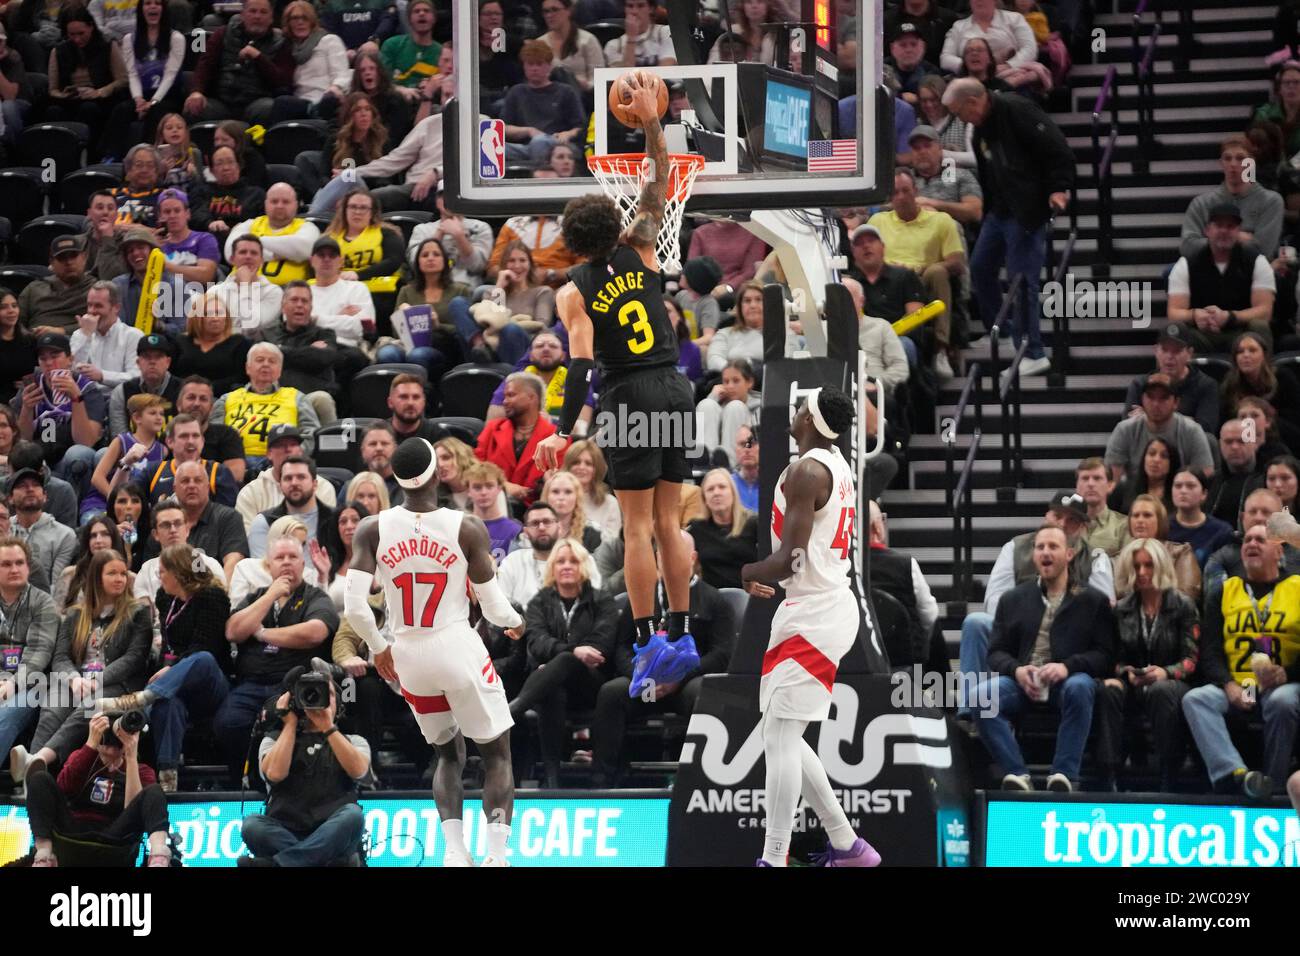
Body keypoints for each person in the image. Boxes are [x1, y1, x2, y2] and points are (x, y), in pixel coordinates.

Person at [535, 75, 700, 694]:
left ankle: (645, 640)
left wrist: (560, 432)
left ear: (569, 242)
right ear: (616, 225)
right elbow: (658, 178)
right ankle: (682, 631)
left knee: (635, 528)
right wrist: (654, 123)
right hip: (674, 385)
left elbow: (579, 368)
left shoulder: (572, 291)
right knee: (671, 524)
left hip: (628, 394)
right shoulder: (644, 250)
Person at [345, 437, 524, 867]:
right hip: (454, 644)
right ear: (435, 473)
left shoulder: (372, 528)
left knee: (447, 754)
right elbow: (495, 607)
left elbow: (353, 606)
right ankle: (496, 856)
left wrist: (378, 648)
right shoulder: (465, 526)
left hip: (407, 653)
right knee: (497, 753)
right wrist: (517, 624)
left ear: (400, 477)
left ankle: (454, 852)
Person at [738, 387, 880, 866]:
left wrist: (747, 572)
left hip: (815, 610)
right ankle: (849, 847)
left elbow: (786, 561)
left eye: (801, 408)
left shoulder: (808, 470)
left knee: (777, 737)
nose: (792, 414)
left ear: (813, 420)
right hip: (816, 606)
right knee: (782, 734)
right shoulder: (835, 463)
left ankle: (774, 857)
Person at [942, 78, 1073, 378]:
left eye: (959, 112)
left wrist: (1059, 187)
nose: (959, 120)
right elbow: (988, 168)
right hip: (999, 211)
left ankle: (1033, 351)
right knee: (980, 267)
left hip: (1027, 210)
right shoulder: (981, 127)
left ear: (973, 102)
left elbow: (1056, 147)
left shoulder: (1017, 110)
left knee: (1022, 281)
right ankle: (1001, 329)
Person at [973, 523, 1117, 793]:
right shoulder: (1013, 599)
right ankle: (1017, 774)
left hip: (1068, 680)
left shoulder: (1092, 600)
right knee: (981, 697)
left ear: (1069, 555)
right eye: (1040, 547)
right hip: (1023, 681)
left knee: (1080, 686)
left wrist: (1067, 667)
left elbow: (1105, 655)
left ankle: (1064, 774)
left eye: (1053, 546)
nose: (1045, 552)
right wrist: (1016, 670)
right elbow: (995, 652)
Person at [592, 528, 734, 786]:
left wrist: (678, 678)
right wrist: (639, 674)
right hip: (645, 682)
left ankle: (700, 780)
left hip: (687, 684)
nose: (668, 559)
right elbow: (622, 646)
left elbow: (722, 653)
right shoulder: (641, 595)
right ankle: (604, 779)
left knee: (705, 693)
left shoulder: (714, 600)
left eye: (675, 553)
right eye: (663, 554)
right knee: (610, 693)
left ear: (691, 558)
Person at [956, 492, 1114, 719]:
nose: (1062, 524)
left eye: (1072, 520)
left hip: (1069, 641)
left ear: (1081, 528)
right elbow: (994, 600)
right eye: (1058, 516)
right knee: (975, 622)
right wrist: (1022, 622)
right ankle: (969, 710)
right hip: (1018, 631)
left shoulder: (1096, 558)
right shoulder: (1016, 548)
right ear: (1046, 516)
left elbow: (1104, 609)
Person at [99, 542, 231, 793]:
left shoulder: (212, 597)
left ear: (179, 572)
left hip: (210, 681)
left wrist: (173, 668)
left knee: (202, 658)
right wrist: (169, 665)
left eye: (162, 571)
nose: (159, 576)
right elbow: (170, 647)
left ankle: (141, 700)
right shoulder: (164, 597)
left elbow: (208, 646)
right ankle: (167, 776)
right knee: (168, 704)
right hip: (175, 685)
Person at [10, 550, 151, 780]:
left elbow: (134, 658)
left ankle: (37, 761)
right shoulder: (75, 614)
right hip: (76, 679)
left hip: (117, 683)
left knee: (90, 706)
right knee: (53, 708)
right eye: (112, 573)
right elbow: (61, 658)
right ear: (96, 577)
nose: (120, 579)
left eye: (123, 574)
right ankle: (33, 779)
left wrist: (97, 680)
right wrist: (74, 679)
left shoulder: (138, 613)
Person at [1182, 524, 1300, 797]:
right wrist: (1227, 685)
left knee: (1283, 702)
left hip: (1283, 682)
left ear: (1278, 550)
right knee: (1196, 699)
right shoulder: (1224, 591)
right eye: (1247, 540)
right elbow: (1210, 652)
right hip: (1243, 683)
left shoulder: (1296, 588)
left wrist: (1288, 673)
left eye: (1260, 539)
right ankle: (1233, 773)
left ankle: (1274, 782)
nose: (1251, 544)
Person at [214, 535, 337, 784]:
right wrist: (270, 596)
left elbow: (315, 632)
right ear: (268, 566)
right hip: (251, 683)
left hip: (294, 683)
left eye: (293, 557)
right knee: (226, 722)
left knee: (283, 720)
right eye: (279, 558)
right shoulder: (258, 596)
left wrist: (261, 633)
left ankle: (287, 784)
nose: (286, 563)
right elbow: (233, 631)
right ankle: (245, 780)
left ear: (303, 565)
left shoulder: (315, 597)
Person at [509, 538, 616, 788]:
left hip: (590, 683)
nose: (567, 566)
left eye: (574, 561)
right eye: (560, 561)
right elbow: (536, 642)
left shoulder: (602, 601)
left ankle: (511, 712)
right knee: (552, 690)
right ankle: (552, 778)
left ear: (584, 566)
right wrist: (574, 651)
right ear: (552, 568)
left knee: (566, 660)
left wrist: (567, 655)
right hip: (549, 683)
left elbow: (601, 646)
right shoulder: (539, 602)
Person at [1099, 538, 1199, 791]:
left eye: (1148, 565)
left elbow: (1191, 660)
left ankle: (1169, 774)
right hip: (1134, 682)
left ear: (1162, 566)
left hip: (1173, 684)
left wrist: (1165, 672)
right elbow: (1114, 659)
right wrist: (1127, 673)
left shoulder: (1183, 605)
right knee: (1108, 690)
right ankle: (1110, 775)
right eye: (1137, 566)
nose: (1142, 573)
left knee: (1160, 691)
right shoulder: (1121, 608)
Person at [238, 676, 368, 867]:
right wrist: (289, 724)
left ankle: (278, 865)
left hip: (332, 829)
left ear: (338, 704)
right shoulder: (273, 740)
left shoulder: (353, 740)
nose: (317, 698)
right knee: (252, 825)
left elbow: (359, 771)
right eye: (308, 693)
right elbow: (274, 774)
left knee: (353, 816)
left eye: (327, 693)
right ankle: (322, 862)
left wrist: (327, 727)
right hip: (286, 828)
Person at [21, 713, 171, 867]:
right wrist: (91, 744)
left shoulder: (142, 770)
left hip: (116, 836)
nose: (112, 746)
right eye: (107, 739)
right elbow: (65, 788)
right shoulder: (82, 757)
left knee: (154, 791)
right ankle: (44, 855)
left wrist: (131, 756)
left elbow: (134, 809)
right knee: (39, 778)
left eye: (118, 741)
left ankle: (158, 856)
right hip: (73, 830)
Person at [868, 169, 967, 377]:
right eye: (896, 192)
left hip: (923, 280)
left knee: (938, 271)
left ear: (916, 190)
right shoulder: (878, 221)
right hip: (888, 280)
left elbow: (957, 262)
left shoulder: (941, 220)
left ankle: (941, 349)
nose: (901, 197)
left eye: (906, 191)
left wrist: (922, 268)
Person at [1167, 204, 1278, 355]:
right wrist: (1195, 315)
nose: (1224, 231)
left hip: (1241, 334)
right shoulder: (1186, 264)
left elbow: (1265, 312)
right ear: (1207, 230)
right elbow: (1174, 312)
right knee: (1176, 329)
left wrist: (1230, 317)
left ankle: (1263, 378)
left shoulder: (1257, 261)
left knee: (1260, 326)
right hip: (1202, 334)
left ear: (1238, 231)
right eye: (1218, 225)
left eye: (1230, 226)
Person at [307, 110, 444, 217]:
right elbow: (394, 161)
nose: (363, 115)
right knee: (348, 176)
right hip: (410, 187)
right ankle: (313, 218)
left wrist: (436, 172)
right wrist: (356, 172)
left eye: (367, 110)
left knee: (360, 200)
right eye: (446, 95)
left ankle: (312, 219)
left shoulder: (381, 141)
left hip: (439, 189)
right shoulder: (429, 124)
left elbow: (464, 170)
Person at [183, 0, 293, 127]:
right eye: (252, 11)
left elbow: (282, 80)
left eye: (263, 12)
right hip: (221, 101)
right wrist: (197, 91)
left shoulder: (281, 42)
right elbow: (205, 66)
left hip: (256, 102)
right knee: (193, 107)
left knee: (270, 108)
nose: (257, 16)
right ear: (242, 14)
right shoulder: (223, 34)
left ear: (271, 18)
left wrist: (258, 57)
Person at [0, 538, 60, 770]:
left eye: (19, 563)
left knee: (5, 715)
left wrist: (10, 685)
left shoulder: (42, 602)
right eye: (6, 564)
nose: (14, 569)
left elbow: (39, 653)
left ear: (28, 567)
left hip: (32, 685)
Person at [211, 342, 323, 465]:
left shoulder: (297, 397)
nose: (265, 364)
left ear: (280, 370)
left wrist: (292, 458)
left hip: (282, 463)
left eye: (272, 361)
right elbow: (214, 437)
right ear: (247, 368)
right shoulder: (226, 399)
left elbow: (311, 434)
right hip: (235, 463)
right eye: (259, 360)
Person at [1180, 135, 1284, 262]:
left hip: (1253, 272)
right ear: (1221, 163)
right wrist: (1238, 237)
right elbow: (1187, 247)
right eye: (1228, 158)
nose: (1233, 164)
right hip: (1209, 269)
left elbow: (1264, 250)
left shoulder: (1271, 201)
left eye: (1240, 158)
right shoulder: (1202, 203)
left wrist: (1215, 238)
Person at [1104, 373, 1215, 484]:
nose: (1156, 404)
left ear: (1176, 402)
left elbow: (1205, 478)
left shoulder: (1192, 431)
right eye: (1150, 397)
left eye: (1164, 398)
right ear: (1142, 399)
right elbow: (1112, 483)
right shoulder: (1124, 430)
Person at [45, 5, 127, 156]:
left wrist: (99, 92)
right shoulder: (58, 51)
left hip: (100, 99)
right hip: (69, 100)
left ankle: (92, 155)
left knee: (88, 108)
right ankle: (62, 157)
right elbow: (53, 89)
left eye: (81, 33)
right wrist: (65, 95)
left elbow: (122, 79)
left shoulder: (108, 46)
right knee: (53, 111)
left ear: (91, 27)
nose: (77, 39)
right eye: (72, 34)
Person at [380, 238, 469, 375]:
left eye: (436, 254)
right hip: (408, 345)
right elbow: (395, 332)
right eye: (425, 255)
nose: (430, 258)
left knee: (418, 355)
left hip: (443, 348)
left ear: (445, 260)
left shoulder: (461, 290)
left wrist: (438, 325)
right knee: (386, 353)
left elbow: (465, 331)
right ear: (418, 262)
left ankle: (421, 393)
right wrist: (403, 319)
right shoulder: (406, 291)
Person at [259, 282, 340, 427]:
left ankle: (333, 448)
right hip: (273, 399)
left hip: (311, 397)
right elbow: (258, 361)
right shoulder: (266, 333)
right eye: (294, 300)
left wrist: (279, 350)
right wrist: (309, 351)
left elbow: (323, 358)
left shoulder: (324, 333)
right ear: (283, 306)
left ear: (311, 307)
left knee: (323, 399)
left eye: (305, 301)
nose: (299, 305)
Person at [479, 373, 561, 506]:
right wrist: (503, 486)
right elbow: (475, 469)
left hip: (537, 512)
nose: (504, 401)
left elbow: (556, 484)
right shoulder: (492, 429)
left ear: (531, 397)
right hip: (491, 505)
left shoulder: (556, 438)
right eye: (505, 396)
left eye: (511, 395)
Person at [1122, 324, 1219, 436]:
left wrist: (1150, 417)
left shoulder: (1206, 385)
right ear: (1156, 351)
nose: (1169, 356)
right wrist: (1186, 421)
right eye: (1164, 350)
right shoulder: (1140, 384)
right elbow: (1128, 424)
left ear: (1189, 354)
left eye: (1176, 351)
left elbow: (1206, 428)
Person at [84, 393, 168, 523]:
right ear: (137, 418)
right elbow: (97, 478)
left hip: (136, 510)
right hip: (100, 505)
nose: (159, 418)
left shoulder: (163, 450)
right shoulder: (121, 441)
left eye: (161, 414)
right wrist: (116, 502)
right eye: (152, 413)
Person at [501, 39, 586, 166]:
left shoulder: (565, 91)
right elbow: (504, 128)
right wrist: (529, 131)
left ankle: (540, 177)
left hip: (559, 147)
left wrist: (567, 134)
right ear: (524, 66)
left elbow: (580, 127)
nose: (534, 68)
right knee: (489, 148)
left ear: (549, 66)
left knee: (539, 142)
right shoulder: (516, 92)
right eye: (530, 64)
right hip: (524, 148)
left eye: (539, 64)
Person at [225, 183, 322, 289]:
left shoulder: (308, 227)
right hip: (241, 288)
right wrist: (283, 253)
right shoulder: (248, 224)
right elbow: (230, 253)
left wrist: (254, 245)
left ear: (296, 205)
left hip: (290, 294)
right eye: (274, 201)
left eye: (286, 202)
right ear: (266, 204)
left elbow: (304, 249)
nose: (279, 206)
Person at [268, 0, 349, 123]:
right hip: (301, 101)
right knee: (282, 102)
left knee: (329, 103)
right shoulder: (288, 47)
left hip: (326, 97)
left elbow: (342, 74)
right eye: (295, 18)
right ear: (288, 23)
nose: (300, 22)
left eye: (305, 18)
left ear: (312, 21)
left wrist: (335, 88)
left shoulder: (329, 40)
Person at [406, 181, 495, 289]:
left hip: (466, 289)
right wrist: (440, 233)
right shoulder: (421, 230)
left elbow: (477, 267)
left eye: (454, 196)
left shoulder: (480, 228)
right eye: (443, 196)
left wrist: (459, 236)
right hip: (429, 289)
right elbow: (415, 265)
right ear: (437, 201)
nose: (448, 201)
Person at [140, 413, 239, 508]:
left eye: (195, 436)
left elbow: (226, 518)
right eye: (184, 436)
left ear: (202, 441)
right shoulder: (153, 471)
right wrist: (126, 463)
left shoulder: (218, 472)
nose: (191, 441)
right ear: (169, 442)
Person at [173, 460, 248, 582]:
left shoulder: (228, 517)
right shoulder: (166, 522)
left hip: (216, 591)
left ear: (207, 487)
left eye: (198, 480)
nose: (191, 485)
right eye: (185, 481)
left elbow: (234, 561)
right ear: (175, 488)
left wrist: (219, 595)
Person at [323, 190, 405, 298]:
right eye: (353, 207)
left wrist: (358, 275)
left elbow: (394, 261)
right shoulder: (329, 238)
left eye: (363, 208)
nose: (357, 212)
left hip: (379, 293)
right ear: (345, 210)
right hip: (339, 293)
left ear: (372, 212)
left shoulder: (387, 233)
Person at [687, 467, 758, 591]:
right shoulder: (696, 528)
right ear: (705, 499)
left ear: (733, 493)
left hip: (749, 598)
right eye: (710, 489)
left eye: (722, 487)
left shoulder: (754, 523)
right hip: (712, 601)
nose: (716, 493)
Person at [247, 455, 332, 559]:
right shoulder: (264, 522)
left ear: (315, 484)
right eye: (288, 478)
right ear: (280, 485)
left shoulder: (336, 520)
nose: (294, 483)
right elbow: (262, 570)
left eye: (301, 477)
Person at [228, 515, 321, 609]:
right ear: (274, 538)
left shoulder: (308, 575)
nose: (296, 547)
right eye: (291, 540)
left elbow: (320, 612)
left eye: (302, 544)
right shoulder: (246, 568)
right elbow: (236, 611)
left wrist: (323, 576)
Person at [8, 468, 76, 592]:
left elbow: (57, 586)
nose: (30, 489)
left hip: (42, 604)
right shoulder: (4, 529)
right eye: (22, 486)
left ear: (45, 496)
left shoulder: (64, 535)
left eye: (35, 485)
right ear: (10, 498)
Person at [1126, 494, 1202, 603]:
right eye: (1135, 515)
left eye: (1147, 515)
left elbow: (1186, 597)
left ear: (1160, 520)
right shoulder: (1116, 557)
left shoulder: (1181, 553)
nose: (1140, 520)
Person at [69, 282, 144, 392]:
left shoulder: (133, 336)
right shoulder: (79, 335)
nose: (91, 311)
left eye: (98, 306)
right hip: (87, 399)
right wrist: (85, 336)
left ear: (116, 308)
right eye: (89, 305)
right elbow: (72, 373)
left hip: (120, 399)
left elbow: (137, 377)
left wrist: (102, 376)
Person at [18, 236, 97, 336]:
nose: (69, 262)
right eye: (62, 258)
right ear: (51, 263)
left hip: (77, 343)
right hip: (34, 343)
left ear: (84, 257)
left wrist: (61, 331)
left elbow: (103, 322)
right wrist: (27, 336)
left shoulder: (95, 289)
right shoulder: (34, 289)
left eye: (73, 256)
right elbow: (16, 322)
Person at [1221, 332, 1300, 431]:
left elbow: (1294, 417)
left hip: (1278, 433)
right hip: (1242, 436)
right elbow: (1225, 421)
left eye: (1252, 350)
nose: (1246, 355)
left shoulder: (1283, 377)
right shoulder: (1230, 383)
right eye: (1240, 351)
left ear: (1264, 355)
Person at [307, 237, 375, 352]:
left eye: (332, 255)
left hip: (347, 351)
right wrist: (340, 317)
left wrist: (315, 320)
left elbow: (360, 329)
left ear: (341, 261)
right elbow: (296, 328)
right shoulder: (303, 293)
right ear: (311, 261)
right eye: (321, 255)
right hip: (309, 349)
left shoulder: (357, 288)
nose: (327, 259)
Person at [108, 332, 180, 439]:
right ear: (138, 362)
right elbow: (120, 437)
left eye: (158, 357)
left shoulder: (183, 390)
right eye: (147, 357)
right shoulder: (122, 391)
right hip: (132, 452)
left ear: (168, 362)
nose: (152, 362)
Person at [939, 0, 1037, 74]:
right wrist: (971, 66)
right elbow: (945, 58)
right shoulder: (958, 26)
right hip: (971, 78)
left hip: (1011, 74)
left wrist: (1009, 65)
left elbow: (1030, 49)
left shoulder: (1015, 18)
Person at [209, 237, 281, 336]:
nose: (248, 256)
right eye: (243, 252)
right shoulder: (215, 291)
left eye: (254, 253)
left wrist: (244, 285)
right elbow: (207, 327)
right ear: (232, 259)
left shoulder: (273, 292)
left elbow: (251, 327)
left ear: (262, 260)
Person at [696, 359, 761, 465]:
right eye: (726, 381)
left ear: (749, 382)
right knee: (706, 404)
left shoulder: (759, 404)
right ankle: (703, 462)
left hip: (743, 461)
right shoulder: (716, 403)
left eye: (736, 381)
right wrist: (712, 397)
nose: (730, 386)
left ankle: (728, 463)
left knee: (735, 407)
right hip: (708, 464)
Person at [189, 146, 265, 237]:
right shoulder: (201, 192)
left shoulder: (256, 194)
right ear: (212, 170)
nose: (226, 168)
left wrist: (243, 227)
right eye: (219, 163)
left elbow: (263, 222)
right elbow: (197, 212)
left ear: (239, 166)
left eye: (230, 162)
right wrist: (209, 223)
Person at [1208, 418, 1267, 526]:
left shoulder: (1268, 480)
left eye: (1241, 441)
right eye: (1228, 442)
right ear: (1220, 444)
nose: (1234, 447)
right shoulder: (1212, 481)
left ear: (1255, 443)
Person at [562, 439, 621, 540]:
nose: (581, 467)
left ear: (596, 469)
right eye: (576, 462)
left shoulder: (610, 503)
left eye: (588, 463)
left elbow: (612, 546)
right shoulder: (555, 497)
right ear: (568, 466)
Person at [463, 462, 521, 564]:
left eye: (489, 486)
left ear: (499, 488)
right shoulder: (461, 527)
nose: (484, 492)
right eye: (477, 487)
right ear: (468, 491)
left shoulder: (515, 529)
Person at [540, 0, 604, 92]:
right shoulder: (540, 43)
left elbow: (598, 79)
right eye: (546, 11)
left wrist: (584, 84)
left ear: (568, 11)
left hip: (584, 95)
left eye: (554, 10)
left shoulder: (587, 40)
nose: (549, 15)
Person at [1108, 437, 1180, 516]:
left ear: (1172, 463)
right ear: (1144, 458)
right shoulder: (1123, 489)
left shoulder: (1179, 492)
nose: (1156, 460)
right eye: (1151, 453)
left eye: (1164, 456)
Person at [539, 470, 602, 553]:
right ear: (547, 496)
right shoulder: (535, 529)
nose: (561, 498)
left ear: (577, 498)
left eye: (568, 492)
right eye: (555, 492)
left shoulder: (592, 533)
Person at [110, 145, 166, 228]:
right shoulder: (110, 195)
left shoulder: (165, 197)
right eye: (139, 165)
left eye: (150, 166)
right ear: (128, 171)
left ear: (157, 172)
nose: (144, 170)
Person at [0, 288, 36, 407]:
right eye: (3, 307)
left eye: (14, 306)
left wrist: (34, 381)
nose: (11, 311)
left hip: (27, 400)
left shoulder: (30, 340)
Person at [385, 374, 440, 445]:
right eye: (403, 397)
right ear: (390, 402)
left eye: (416, 397)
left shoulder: (438, 435)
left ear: (424, 402)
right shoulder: (378, 435)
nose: (410, 403)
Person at [731, 423, 761, 514]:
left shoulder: (775, 484)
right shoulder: (727, 484)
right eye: (742, 444)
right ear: (736, 450)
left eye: (752, 443)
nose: (747, 449)